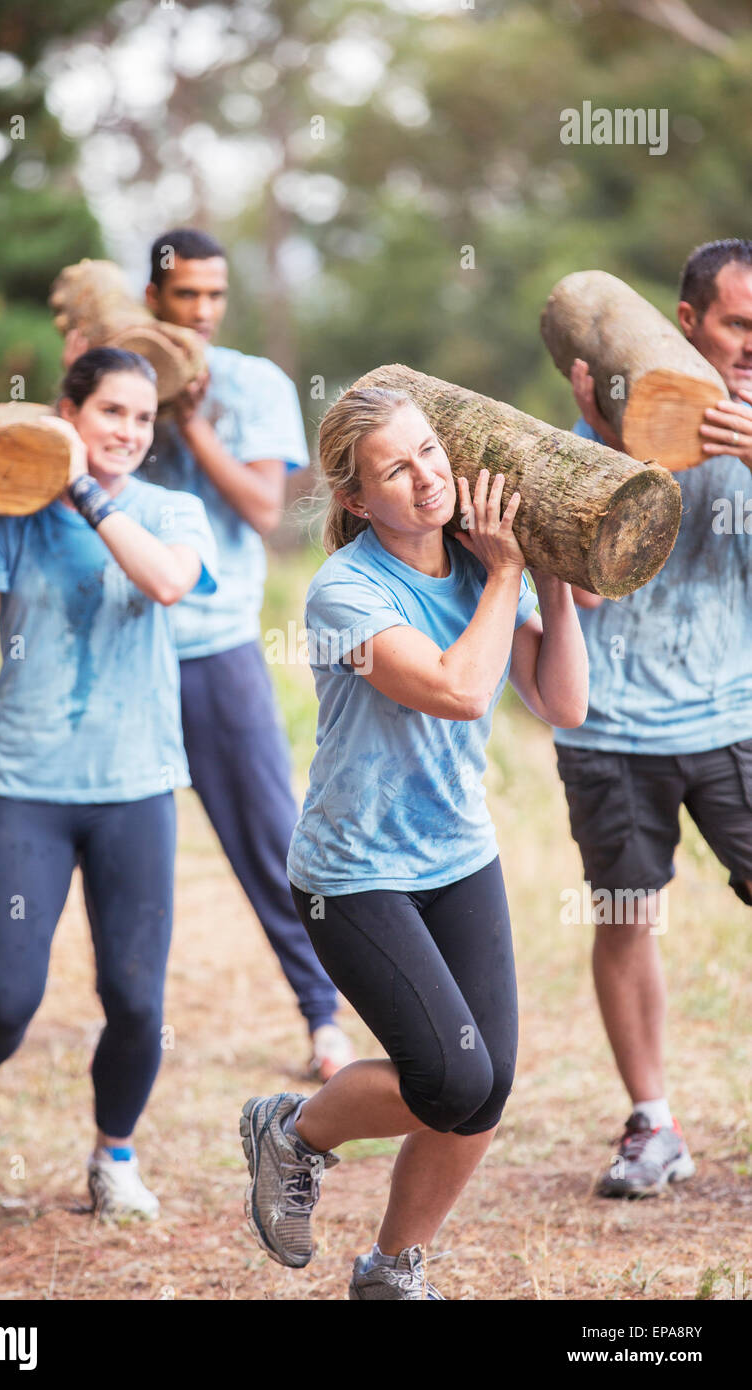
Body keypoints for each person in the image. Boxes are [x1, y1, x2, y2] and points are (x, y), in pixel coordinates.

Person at [239, 387, 588, 1299]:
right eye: (397, 469)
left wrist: (549, 571)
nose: (428, 478)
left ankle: (392, 1267)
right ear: (355, 499)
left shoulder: (480, 564)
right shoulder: (344, 592)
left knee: (490, 1085)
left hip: (458, 855)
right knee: (449, 1079)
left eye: (431, 452)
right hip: (354, 874)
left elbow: (563, 705)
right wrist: (508, 576)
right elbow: (458, 690)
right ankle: (294, 1130)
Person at [0, 348, 218, 1221]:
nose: (126, 430)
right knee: (6, 998)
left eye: (140, 418)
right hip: (27, 787)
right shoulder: (17, 515)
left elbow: (163, 583)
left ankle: (114, 1153)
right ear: (67, 413)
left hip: (136, 789)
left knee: (134, 999)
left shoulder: (168, 510)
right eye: (109, 412)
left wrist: (85, 490)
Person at [555, 238, 752, 1198]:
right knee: (628, 914)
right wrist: (606, 441)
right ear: (687, 322)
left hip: (736, 715)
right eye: (737, 325)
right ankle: (654, 1123)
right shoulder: (608, 420)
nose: (751, 346)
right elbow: (587, 598)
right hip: (614, 726)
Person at [137, 227, 353, 1080]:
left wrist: (193, 429)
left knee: (270, 839)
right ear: (152, 296)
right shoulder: (122, 380)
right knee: (126, 843)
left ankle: (325, 1018)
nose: (200, 312)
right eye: (185, 295)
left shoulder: (254, 384)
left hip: (216, 644)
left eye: (214, 296)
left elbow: (266, 506)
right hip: (129, 652)